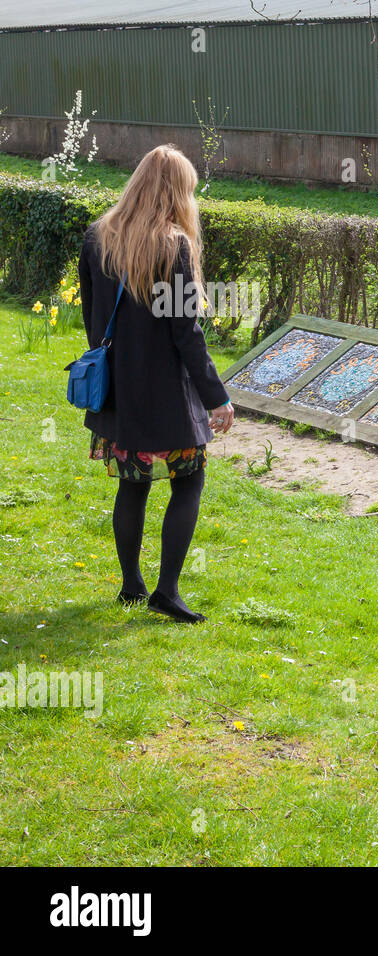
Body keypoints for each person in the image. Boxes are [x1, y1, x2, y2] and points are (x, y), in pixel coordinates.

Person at [78, 144, 234, 623]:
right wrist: (217, 397)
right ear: (174, 192)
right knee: (188, 481)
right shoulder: (174, 245)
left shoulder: (97, 237)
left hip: (120, 392)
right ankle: (166, 590)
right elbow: (185, 333)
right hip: (167, 393)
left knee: (132, 486)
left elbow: (91, 317)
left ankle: (131, 584)